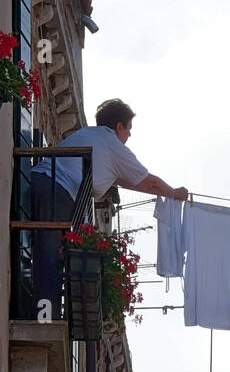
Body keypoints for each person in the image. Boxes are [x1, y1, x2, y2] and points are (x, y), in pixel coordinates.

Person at [29, 98, 188, 314]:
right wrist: (174, 193)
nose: (129, 135)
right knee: (51, 256)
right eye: (129, 129)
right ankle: (45, 318)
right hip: (57, 191)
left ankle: (42, 311)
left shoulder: (92, 136)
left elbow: (129, 181)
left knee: (42, 250)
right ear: (119, 126)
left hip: (38, 181)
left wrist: (164, 192)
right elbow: (148, 180)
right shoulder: (112, 143)